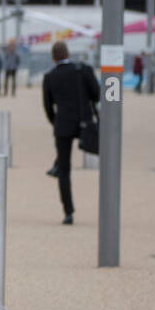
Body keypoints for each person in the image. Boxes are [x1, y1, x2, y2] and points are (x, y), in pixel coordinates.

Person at [41, 41, 99, 226]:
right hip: (84, 123)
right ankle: (107, 207)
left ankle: (68, 212)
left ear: (53, 57)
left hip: (63, 125)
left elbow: (48, 106)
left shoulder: (50, 77)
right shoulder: (83, 70)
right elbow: (97, 94)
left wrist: (55, 122)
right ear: (68, 54)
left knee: (64, 171)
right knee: (104, 159)